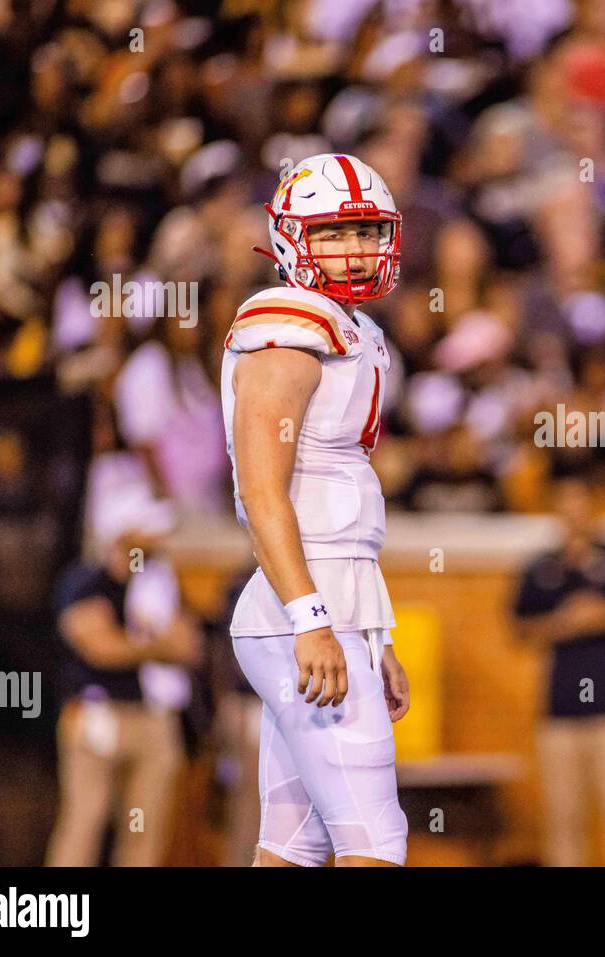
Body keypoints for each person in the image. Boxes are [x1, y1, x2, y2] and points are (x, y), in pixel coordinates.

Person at [221, 152, 410, 867]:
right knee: (375, 840)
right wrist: (311, 620)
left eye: (365, 231)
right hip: (299, 608)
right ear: (292, 237)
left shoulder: (347, 327)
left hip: (329, 604)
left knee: (295, 844)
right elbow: (261, 491)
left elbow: (344, 514)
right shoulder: (289, 324)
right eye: (333, 234)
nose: (355, 251)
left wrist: (374, 635)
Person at [511, 473, 605, 866]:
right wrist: (562, 623)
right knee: (563, 818)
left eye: (581, 504)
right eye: (565, 504)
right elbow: (519, 627)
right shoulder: (541, 567)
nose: (574, 514)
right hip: (559, 709)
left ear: (596, 509)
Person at [46, 493, 201, 866]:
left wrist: (136, 642)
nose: (157, 541)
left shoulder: (160, 581)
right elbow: (101, 648)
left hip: (152, 717)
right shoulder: (85, 581)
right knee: (85, 820)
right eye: (147, 532)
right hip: (99, 716)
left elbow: (189, 646)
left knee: (143, 829)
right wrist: (154, 644)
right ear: (122, 534)